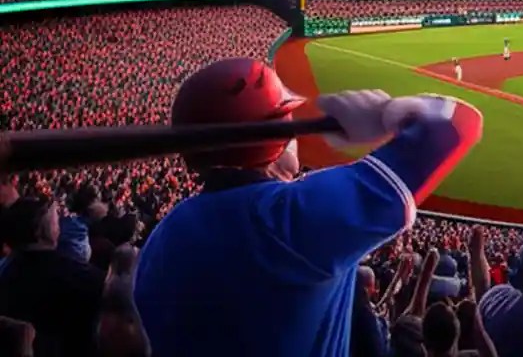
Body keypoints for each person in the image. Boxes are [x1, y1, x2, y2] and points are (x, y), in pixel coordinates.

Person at [131, 58, 484, 357]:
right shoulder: (291, 222)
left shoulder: (165, 234)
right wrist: (390, 114)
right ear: (276, 137)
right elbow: (457, 124)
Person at [0, 197, 106, 357]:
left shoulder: (5, 271)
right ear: (39, 231)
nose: (60, 221)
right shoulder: (83, 277)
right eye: (55, 217)